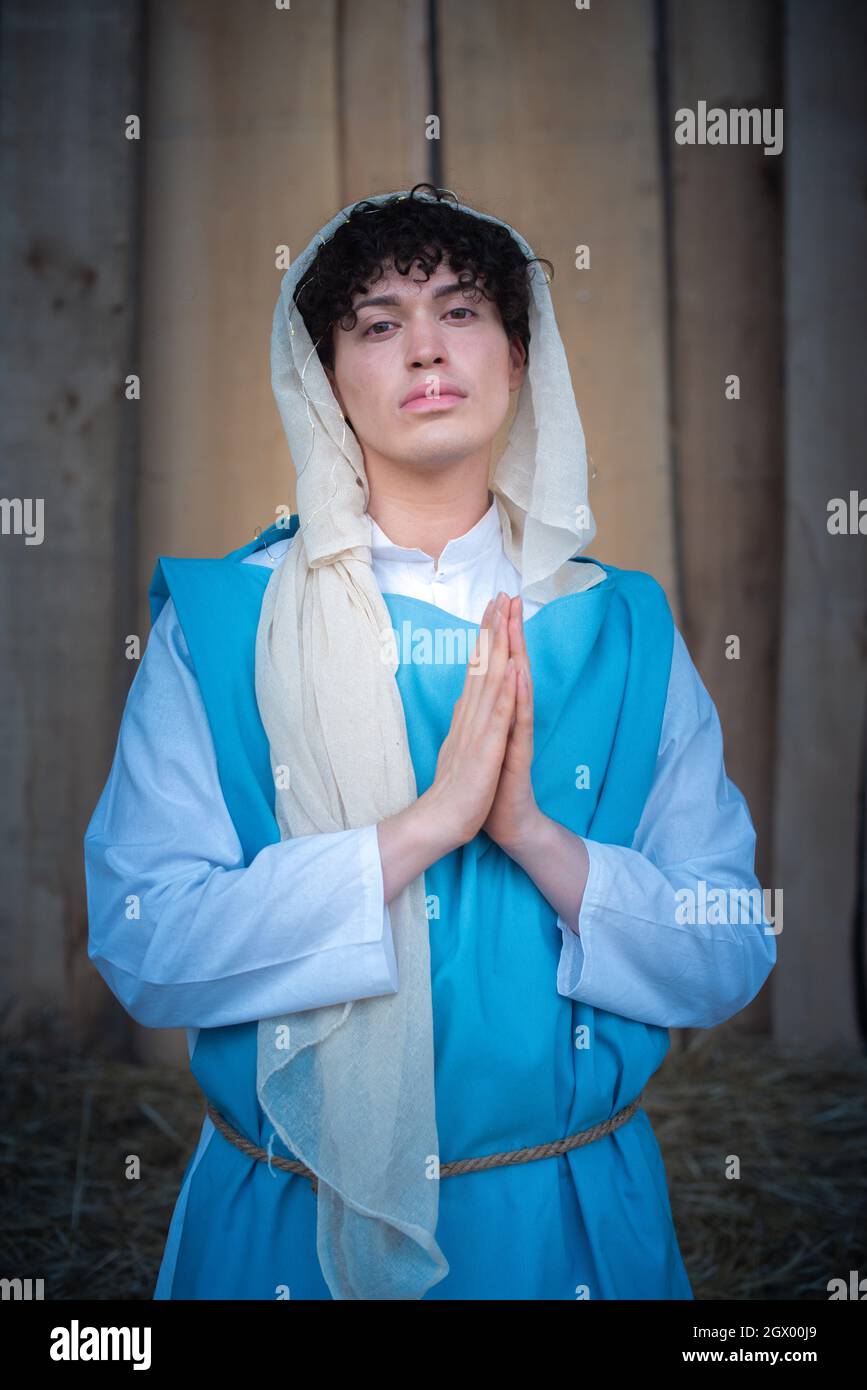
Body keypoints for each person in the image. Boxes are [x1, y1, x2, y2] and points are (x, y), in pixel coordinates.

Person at [84, 184, 776, 1301]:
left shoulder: (625, 627)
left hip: (567, 1226)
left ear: (517, 353)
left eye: (460, 311)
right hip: (296, 1227)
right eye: (376, 321)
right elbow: (145, 943)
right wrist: (420, 832)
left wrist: (533, 837)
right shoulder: (226, 626)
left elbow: (731, 947)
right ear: (327, 376)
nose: (423, 349)